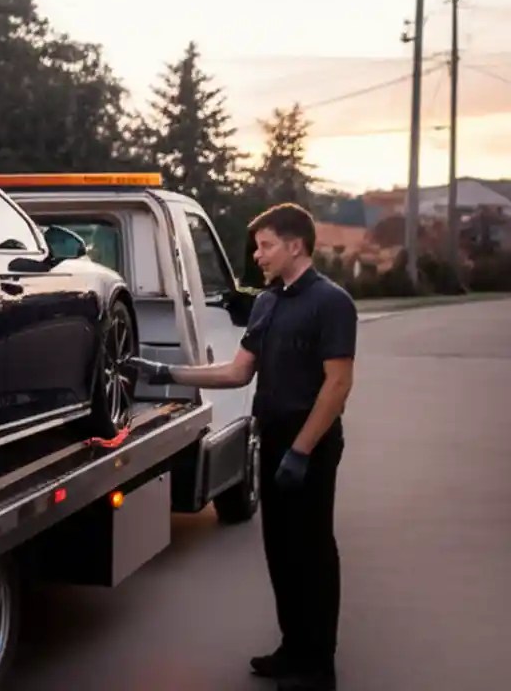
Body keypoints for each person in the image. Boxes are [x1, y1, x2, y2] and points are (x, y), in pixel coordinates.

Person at [126, 203, 356, 691]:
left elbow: (337, 385)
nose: (258, 255)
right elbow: (237, 371)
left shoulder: (332, 303)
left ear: (296, 245)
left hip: (310, 445)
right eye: (258, 246)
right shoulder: (270, 303)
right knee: (280, 550)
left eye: (266, 245)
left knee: (313, 551)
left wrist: (301, 450)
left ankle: (319, 665)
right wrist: (166, 372)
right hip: (271, 438)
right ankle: (292, 648)